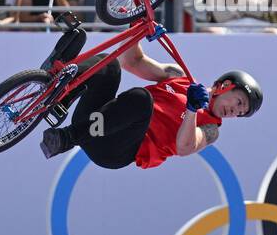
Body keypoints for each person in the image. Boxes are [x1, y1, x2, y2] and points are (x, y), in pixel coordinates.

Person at [38, 33, 262, 169]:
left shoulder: (212, 128)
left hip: (114, 149)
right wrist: (133, 25)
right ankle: (53, 85)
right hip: (96, 123)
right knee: (110, 65)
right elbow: (133, 61)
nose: (236, 112)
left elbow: (185, 147)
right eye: (240, 103)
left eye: (241, 114)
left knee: (142, 99)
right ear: (226, 85)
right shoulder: (178, 77)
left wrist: (192, 109)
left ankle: (66, 138)